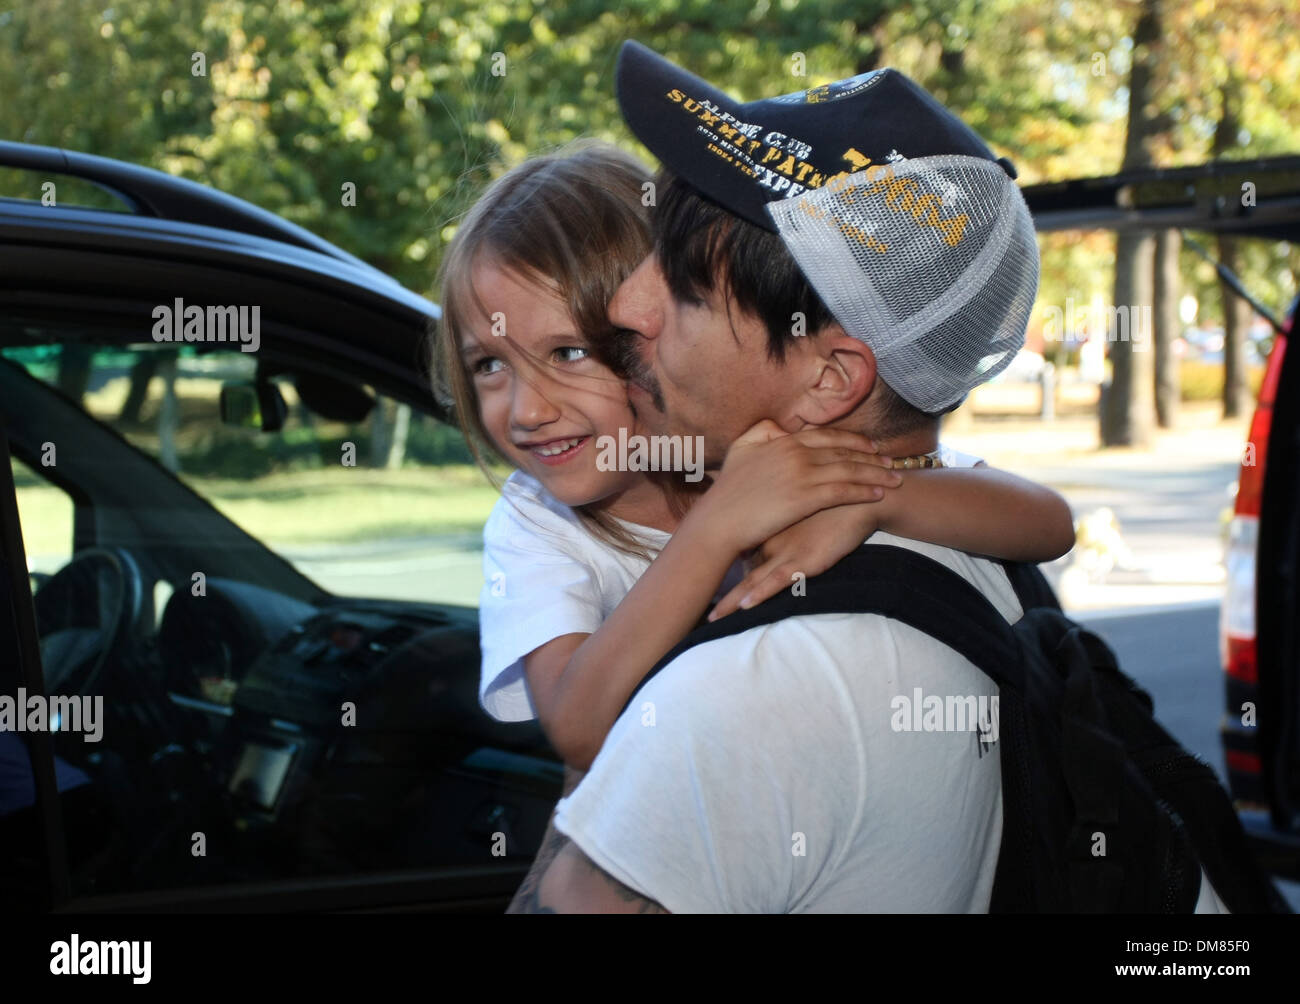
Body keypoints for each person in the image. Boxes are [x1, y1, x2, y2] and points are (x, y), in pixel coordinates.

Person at [520, 42, 1227, 913]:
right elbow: (1050, 520)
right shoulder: (973, 553)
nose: (624, 307)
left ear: (831, 379)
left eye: (684, 289)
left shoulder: (756, 692)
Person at [430, 137, 1075, 909]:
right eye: (488, 366)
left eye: (567, 353)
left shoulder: (768, 446)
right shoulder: (538, 525)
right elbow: (577, 726)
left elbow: (1048, 521)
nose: (526, 411)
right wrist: (716, 532)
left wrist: (887, 497)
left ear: (645, 338)